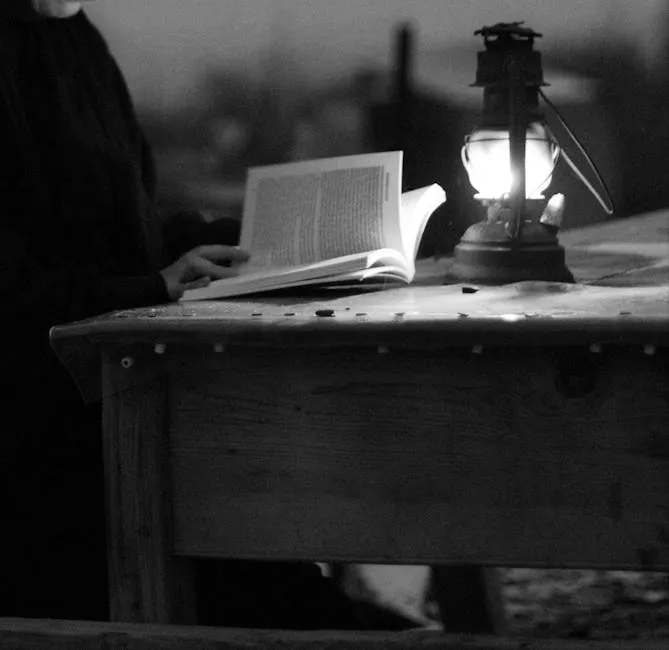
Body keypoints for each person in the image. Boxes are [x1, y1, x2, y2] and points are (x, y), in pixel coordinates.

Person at [0, 0, 250, 620]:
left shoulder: (77, 36)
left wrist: (249, 238)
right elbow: (16, 284)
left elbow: (122, 222)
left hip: (120, 375)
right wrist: (153, 283)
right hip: (42, 418)